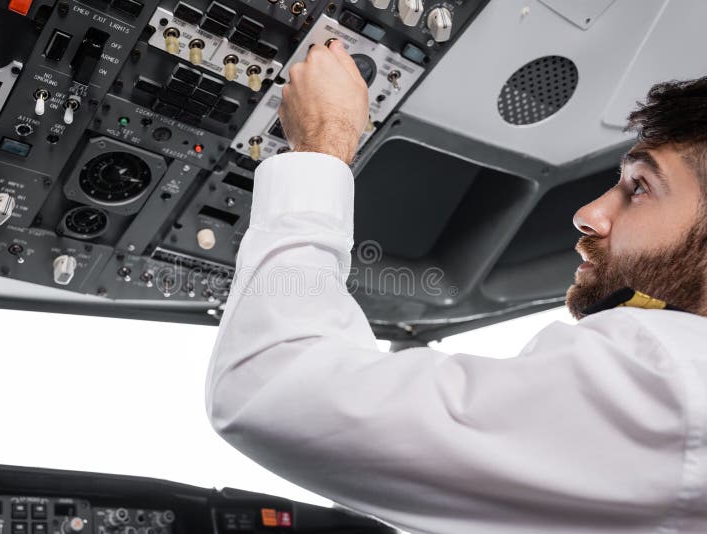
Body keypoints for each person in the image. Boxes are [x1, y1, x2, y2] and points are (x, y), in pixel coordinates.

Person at [205, 39, 707, 533]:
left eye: (640, 187)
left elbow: (271, 383)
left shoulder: (671, 378)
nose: (588, 214)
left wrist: (322, 143)